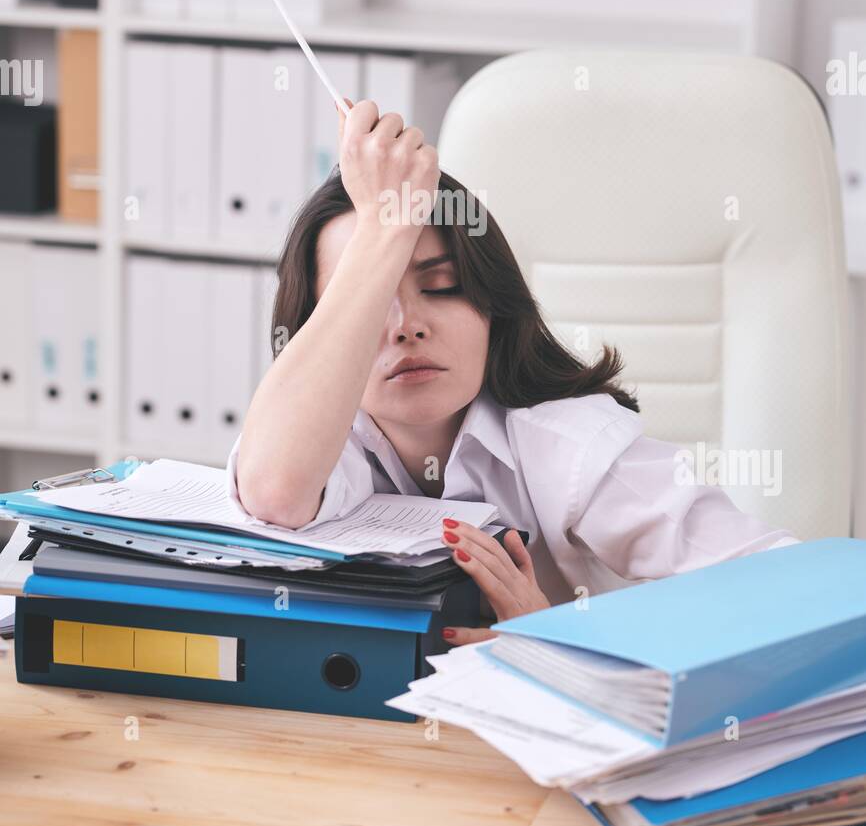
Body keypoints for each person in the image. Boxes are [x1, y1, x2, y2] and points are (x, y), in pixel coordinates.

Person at [225, 99, 799, 645]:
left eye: (441, 285)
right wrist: (381, 225)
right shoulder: (325, 437)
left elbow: (787, 592)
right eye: (372, 299)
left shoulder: (571, 448)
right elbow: (277, 494)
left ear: (491, 304)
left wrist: (560, 638)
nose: (406, 326)